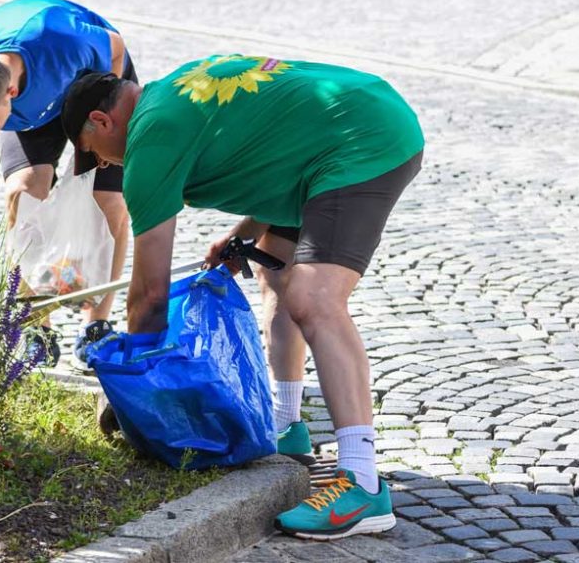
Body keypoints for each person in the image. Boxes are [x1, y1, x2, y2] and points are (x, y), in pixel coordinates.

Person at [60, 54, 424, 540]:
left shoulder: (150, 137)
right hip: (340, 127)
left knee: (314, 298)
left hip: (360, 139)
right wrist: (242, 233)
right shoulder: (171, 93)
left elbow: (149, 294)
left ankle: (361, 483)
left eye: (97, 153)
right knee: (275, 274)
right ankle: (287, 423)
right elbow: (271, 138)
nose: (106, 164)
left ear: (102, 120)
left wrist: (139, 392)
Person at [0, 0, 134, 367]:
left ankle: (97, 326)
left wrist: (99, 119)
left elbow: (115, 45)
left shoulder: (59, 42)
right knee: (22, 194)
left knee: (108, 203)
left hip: (91, 88)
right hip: (32, 115)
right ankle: (35, 328)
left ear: (10, 92)